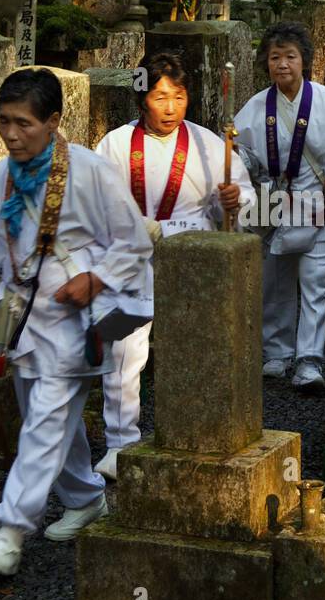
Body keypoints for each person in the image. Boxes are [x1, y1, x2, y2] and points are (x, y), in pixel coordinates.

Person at [0, 68, 154, 576]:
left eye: (23, 123)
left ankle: (11, 531)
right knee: (53, 422)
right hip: (20, 321)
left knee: (44, 421)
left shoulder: (91, 172)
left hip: (77, 321)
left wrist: (95, 279)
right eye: (3, 122)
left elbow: (134, 242)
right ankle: (85, 498)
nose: (11, 134)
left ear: (54, 121)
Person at [93, 52, 255, 479]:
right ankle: (120, 441)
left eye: (179, 97)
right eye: (160, 96)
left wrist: (235, 202)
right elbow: (97, 203)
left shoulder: (207, 144)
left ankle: (198, 433)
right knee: (124, 351)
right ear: (142, 97)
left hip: (191, 255)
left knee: (197, 345)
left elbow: (244, 195)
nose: (170, 108)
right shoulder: (114, 144)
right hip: (133, 255)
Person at [233, 22, 325, 391]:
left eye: (290, 56)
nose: (282, 65)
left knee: (316, 283)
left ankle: (309, 360)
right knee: (274, 280)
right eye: (275, 58)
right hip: (274, 202)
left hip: (319, 200)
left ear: (303, 60)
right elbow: (246, 158)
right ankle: (277, 352)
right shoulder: (257, 106)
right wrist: (235, 154)